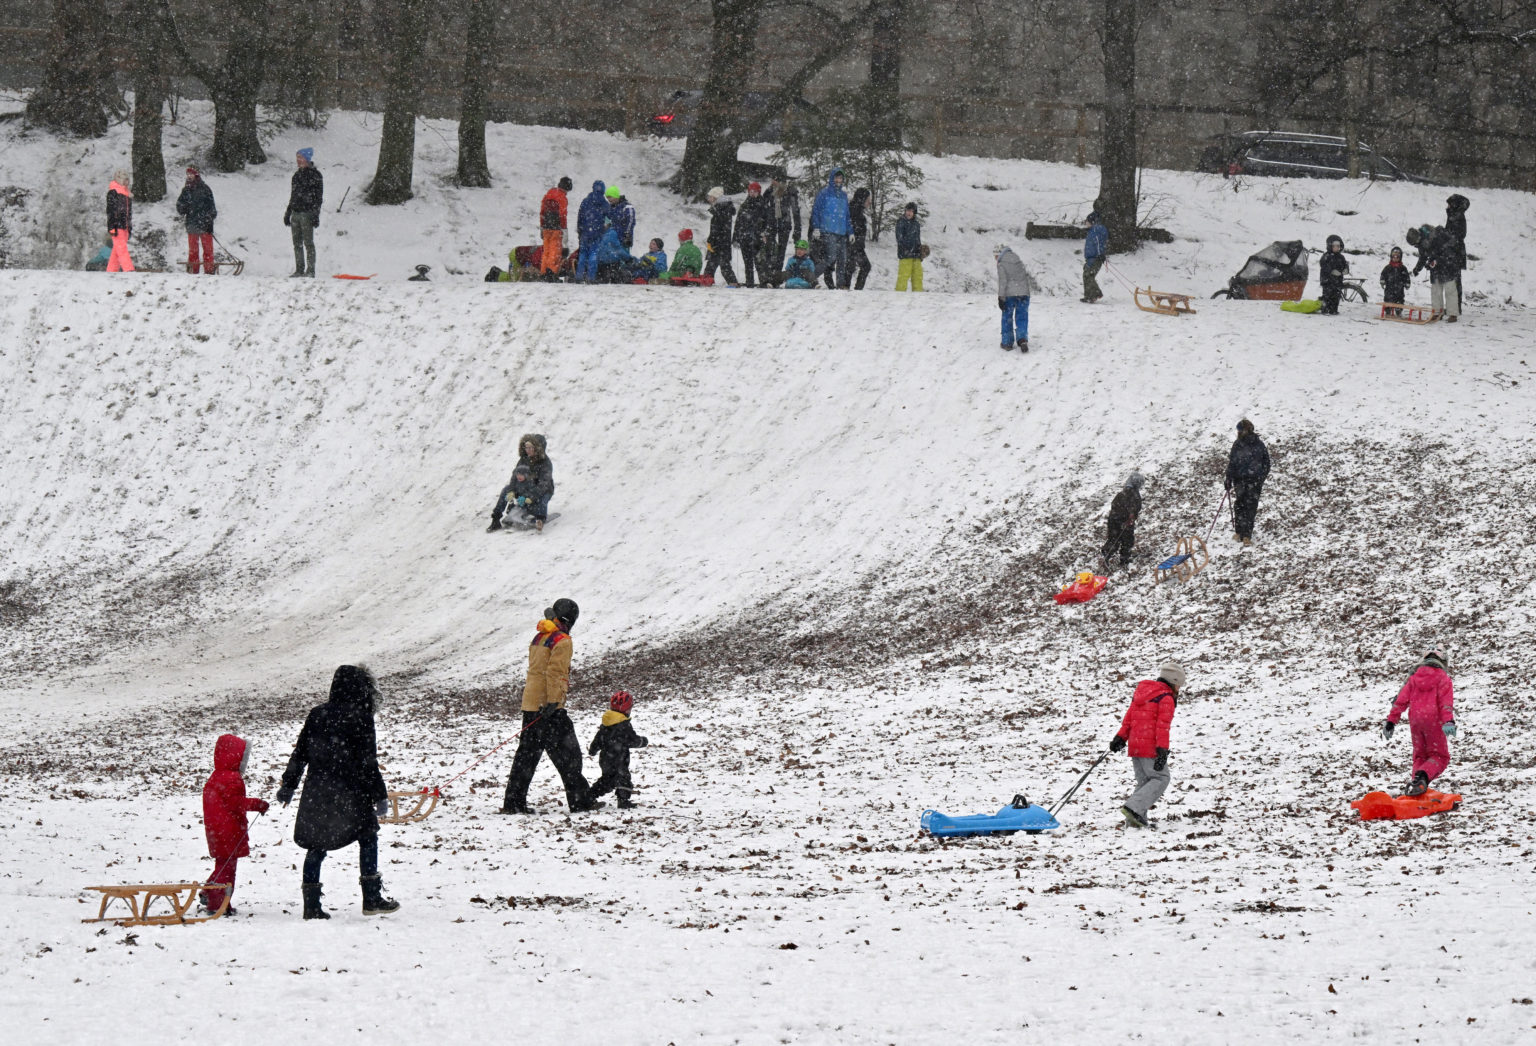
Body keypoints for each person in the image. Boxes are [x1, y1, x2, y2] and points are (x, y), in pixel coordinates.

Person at [276, 665, 400, 920]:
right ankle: (372, 897)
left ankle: (311, 906)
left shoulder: (317, 714)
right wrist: (379, 795)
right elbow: (368, 762)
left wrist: (289, 785)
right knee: (368, 836)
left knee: (316, 845)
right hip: (352, 790)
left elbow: (300, 754)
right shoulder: (361, 717)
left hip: (319, 791)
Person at [502, 599, 600, 814]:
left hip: (530, 704)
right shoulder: (562, 640)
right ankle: (580, 801)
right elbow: (555, 673)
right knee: (569, 755)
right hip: (549, 706)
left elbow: (537, 671)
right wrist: (554, 701)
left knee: (526, 756)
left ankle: (513, 803)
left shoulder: (540, 636)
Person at [1108, 662, 1185, 828]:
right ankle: (1134, 808)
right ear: (1173, 681)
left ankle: (1135, 822)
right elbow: (1162, 726)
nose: (1179, 688)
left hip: (1135, 745)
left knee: (1144, 782)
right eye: (1179, 684)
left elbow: (1129, 719)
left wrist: (1120, 738)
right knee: (1161, 778)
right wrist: (1162, 750)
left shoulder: (1144, 693)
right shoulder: (1166, 698)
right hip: (1150, 745)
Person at [200, 733, 270, 915]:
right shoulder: (232, 778)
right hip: (228, 830)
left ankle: (209, 893)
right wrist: (258, 804)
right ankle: (218, 904)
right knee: (227, 870)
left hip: (217, 829)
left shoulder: (217, 775)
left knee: (222, 865)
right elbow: (236, 803)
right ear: (235, 757)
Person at [1381, 649, 1455, 797]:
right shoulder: (1443, 678)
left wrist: (1391, 721)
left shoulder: (1414, 677)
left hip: (1415, 721)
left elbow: (1401, 701)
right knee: (1440, 756)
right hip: (1433, 721)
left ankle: (1416, 785)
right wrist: (1448, 721)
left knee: (1420, 755)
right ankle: (1422, 778)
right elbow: (1445, 703)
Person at [587, 690, 649, 808]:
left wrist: (593, 749)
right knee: (623, 778)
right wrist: (642, 741)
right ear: (626, 709)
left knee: (608, 780)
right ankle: (623, 801)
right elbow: (632, 740)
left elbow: (599, 737)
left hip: (605, 759)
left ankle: (590, 795)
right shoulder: (623, 725)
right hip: (619, 758)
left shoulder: (607, 723)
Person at [488, 434, 554, 532]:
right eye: (526, 447)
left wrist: (529, 497)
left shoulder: (545, 463)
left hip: (542, 491)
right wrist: (512, 491)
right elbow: (515, 477)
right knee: (506, 490)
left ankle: (539, 519)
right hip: (525, 487)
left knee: (540, 502)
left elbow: (543, 485)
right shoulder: (524, 460)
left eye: (530, 447)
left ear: (538, 448)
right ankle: (496, 519)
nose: (527, 450)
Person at [1224, 419, 1270, 545]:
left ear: (1246, 430)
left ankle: (1247, 535)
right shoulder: (1237, 445)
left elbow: (1266, 463)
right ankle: (1239, 531)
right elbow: (1232, 463)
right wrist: (1228, 478)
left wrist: (1260, 478)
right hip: (1239, 481)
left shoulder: (1258, 445)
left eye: (1240, 430)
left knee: (1250, 507)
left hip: (1254, 482)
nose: (1238, 432)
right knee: (1239, 505)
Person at [283, 148, 323, 278]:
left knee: (308, 243)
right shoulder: (296, 176)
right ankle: (299, 269)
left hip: (307, 213)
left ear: (307, 158)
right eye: (297, 157)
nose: (298, 160)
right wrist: (288, 212)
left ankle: (310, 270)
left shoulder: (315, 176)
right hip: (295, 212)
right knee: (297, 243)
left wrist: (316, 214)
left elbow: (318, 198)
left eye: (300, 157)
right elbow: (293, 195)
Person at [809, 168, 851, 289]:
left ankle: (840, 284)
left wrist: (851, 231)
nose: (839, 180)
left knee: (842, 259)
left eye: (840, 178)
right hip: (828, 231)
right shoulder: (824, 193)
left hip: (841, 232)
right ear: (832, 178)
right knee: (830, 257)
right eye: (837, 178)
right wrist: (816, 227)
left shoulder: (843, 195)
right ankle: (810, 278)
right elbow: (816, 211)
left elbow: (846, 216)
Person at [994, 244, 1039, 352]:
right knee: (1022, 317)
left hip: (1010, 294)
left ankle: (1007, 342)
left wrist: (1001, 297)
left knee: (1007, 317)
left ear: (999, 254)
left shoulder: (1001, 263)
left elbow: (1003, 281)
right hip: (1024, 293)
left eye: (995, 256)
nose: (995, 258)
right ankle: (1022, 339)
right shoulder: (1017, 258)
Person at [176, 166, 218, 275]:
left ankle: (209, 272)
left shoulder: (205, 189)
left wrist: (209, 218)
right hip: (192, 224)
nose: (189, 176)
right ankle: (193, 272)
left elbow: (212, 207)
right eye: (188, 174)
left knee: (208, 250)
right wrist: (184, 207)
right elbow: (179, 206)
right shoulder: (185, 190)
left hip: (205, 224)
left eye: (191, 173)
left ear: (196, 174)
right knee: (193, 251)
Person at [1100, 471, 1144, 572]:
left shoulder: (1123, 492)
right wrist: (1130, 517)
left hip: (1113, 519)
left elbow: (1114, 505)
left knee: (1114, 538)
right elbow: (1134, 508)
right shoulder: (1134, 494)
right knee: (1127, 540)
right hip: (1124, 521)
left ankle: (1106, 553)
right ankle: (1123, 559)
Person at [762, 172, 801, 276]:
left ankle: (777, 274)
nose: (773, 182)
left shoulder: (790, 192)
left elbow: (796, 212)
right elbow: (763, 205)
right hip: (772, 223)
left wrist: (797, 229)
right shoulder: (770, 191)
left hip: (785, 223)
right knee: (771, 249)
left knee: (781, 250)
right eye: (772, 181)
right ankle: (770, 274)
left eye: (775, 180)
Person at [575, 180, 611, 283]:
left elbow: (580, 217)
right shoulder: (604, 203)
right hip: (596, 232)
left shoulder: (585, 201)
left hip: (585, 233)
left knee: (582, 254)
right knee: (593, 255)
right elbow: (611, 216)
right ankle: (591, 277)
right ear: (603, 190)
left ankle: (579, 276)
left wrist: (580, 230)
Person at [733, 182, 768, 288]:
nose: (752, 194)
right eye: (750, 191)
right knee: (747, 262)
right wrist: (735, 237)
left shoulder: (763, 204)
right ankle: (750, 282)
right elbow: (738, 222)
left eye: (755, 192)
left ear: (759, 192)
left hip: (758, 238)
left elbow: (767, 221)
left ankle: (763, 281)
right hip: (745, 237)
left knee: (759, 262)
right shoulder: (744, 205)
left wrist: (764, 233)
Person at [703, 187, 739, 287]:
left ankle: (733, 283)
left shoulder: (722, 209)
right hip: (719, 242)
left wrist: (713, 239)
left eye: (710, 197)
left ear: (715, 197)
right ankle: (707, 281)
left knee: (723, 265)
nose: (709, 199)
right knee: (712, 265)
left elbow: (719, 228)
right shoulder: (721, 208)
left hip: (721, 243)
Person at [538, 176, 573, 279]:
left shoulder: (549, 194)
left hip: (545, 227)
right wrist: (564, 231)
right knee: (555, 251)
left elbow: (542, 211)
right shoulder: (562, 197)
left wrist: (541, 226)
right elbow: (563, 216)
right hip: (556, 228)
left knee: (546, 251)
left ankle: (543, 272)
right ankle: (551, 273)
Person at [1445, 193, 1469, 313]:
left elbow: (1460, 234)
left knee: (1454, 280)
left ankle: (1455, 306)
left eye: (1449, 204)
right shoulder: (1453, 215)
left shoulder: (1458, 216)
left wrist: (1450, 239)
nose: (1448, 206)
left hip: (1456, 252)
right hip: (1452, 251)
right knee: (1452, 280)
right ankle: (1453, 306)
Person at [106, 170, 134, 272]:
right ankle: (129, 269)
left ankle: (111, 270)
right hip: (117, 225)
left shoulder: (127, 195)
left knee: (117, 250)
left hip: (125, 225)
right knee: (121, 248)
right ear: (120, 180)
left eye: (128, 180)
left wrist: (129, 227)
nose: (127, 182)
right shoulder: (113, 192)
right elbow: (110, 211)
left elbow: (129, 213)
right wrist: (112, 226)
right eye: (125, 180)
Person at [895, 202, 924, 291]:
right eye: (907, 210)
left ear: (914, 212)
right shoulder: (901, 222)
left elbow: (917, 239)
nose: (909, 213)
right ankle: (898, 297)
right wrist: (906, 250)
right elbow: (899, 239)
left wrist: (921, 250)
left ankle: (918, 297)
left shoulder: (916, 224)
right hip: (905, 255)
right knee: (903, 278)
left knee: (918, 277)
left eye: (911, 211)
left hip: (916, 255)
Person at [848, 187, 872, 291]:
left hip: (856, 246)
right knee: (863, 266)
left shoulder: (856, 210)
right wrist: (855, 246)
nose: (869, 202)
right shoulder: (854, 211)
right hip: (853, 246)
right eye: (868, 199)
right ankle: (855, 290)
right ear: (862, 199)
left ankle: (851, 289)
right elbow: (853, 230)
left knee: (851, 268)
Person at [1318, 234, 1349, 315]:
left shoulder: (1341, 257)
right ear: (1330, 246)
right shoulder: (1326, 256)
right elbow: (1324, 266)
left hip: (1338, 281)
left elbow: (1345, 265)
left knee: (1336, 296)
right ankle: (1325, 309)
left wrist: (1346, 269)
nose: (1337, 248)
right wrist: (1331, 271)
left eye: (1338, 246)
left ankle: (1334, 310)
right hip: (1328, 281)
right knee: (1327, 295)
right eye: (1334, 246)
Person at [1082, 209, 1107, 302]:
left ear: (1092, 222)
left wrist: (1100, 254)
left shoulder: (1096, 231)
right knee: (1086, 275)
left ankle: (1095, 294)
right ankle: (1089, 296)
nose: (1086, 223)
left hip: (1095, 258)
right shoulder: (1092, 231)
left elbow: (1098, 244)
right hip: (1091, 258)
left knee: (1089, 275)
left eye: (1087, 221)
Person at [1380, 246, 1411, 315]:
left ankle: (1398, 310)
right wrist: (1382, 281)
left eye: (1397, 257)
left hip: (1399, 288)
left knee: (1400, 299)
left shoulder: (1403, 268)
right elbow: (1383, 275)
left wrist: (1407, 283)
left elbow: (1407, 277)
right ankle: (1388, 310)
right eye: (1394, 257)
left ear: (1400, 258)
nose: (1395, 259)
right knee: (1388, 299)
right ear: (1391, 257)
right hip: (1389, 288)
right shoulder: (1388, 268)